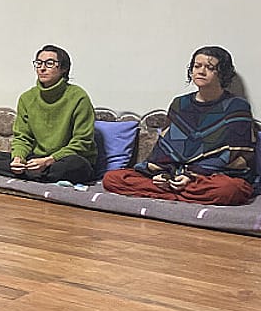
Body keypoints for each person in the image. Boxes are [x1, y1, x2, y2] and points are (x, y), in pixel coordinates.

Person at [103, 46, 255, 205]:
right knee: (112, 179)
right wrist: (162, 174)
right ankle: (180, 194)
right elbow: (165, 146)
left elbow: (238, 155)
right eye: (197, 66)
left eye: (210, 68)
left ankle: (170, 195)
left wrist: (192, 176)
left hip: (209, 178)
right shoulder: (179, 104)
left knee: (229, 190)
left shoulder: (236, 106)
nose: (201, 72)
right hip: (174, 175)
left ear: (223, 73)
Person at [0, 44, 97, 184]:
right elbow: (23, 137)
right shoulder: (27, 98)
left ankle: (32, 175)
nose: (42, 68)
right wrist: (18, 159)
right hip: (37, 159)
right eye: (39, 63)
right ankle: (36, 175)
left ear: (63, 68)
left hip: (65, 159)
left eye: (49, 63)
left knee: (76, 166)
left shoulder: (78, 97)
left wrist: (48, 161)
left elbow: (82, 142)